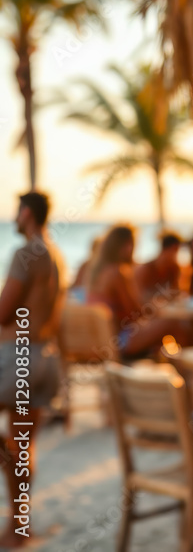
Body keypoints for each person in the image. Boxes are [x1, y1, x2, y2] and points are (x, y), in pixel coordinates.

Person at [0, 192, 64, 547]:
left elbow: (4, 312)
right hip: (44, 357)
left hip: (17, 358)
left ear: (27, 212)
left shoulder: (24, 254)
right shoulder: (55, 254)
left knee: (16, 446)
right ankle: (19, 526)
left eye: (17, 209)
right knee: (23, 446)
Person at [87, 225, 189, 356]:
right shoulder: (118, 273)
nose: (132, 249)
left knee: (161, 333)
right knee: (173, 323)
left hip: (100, 340)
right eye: (131, 244)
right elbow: (135, 312)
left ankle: (163, 366)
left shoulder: (98, 271)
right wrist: (155, 307)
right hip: (118, 340)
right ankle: (185, 372)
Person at [134, 231, 182, 302]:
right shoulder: (145, 270)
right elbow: (137, 297)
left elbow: (175, 293)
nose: (176, 255)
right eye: (176, 251)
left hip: (165, 310)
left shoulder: (174, 269)